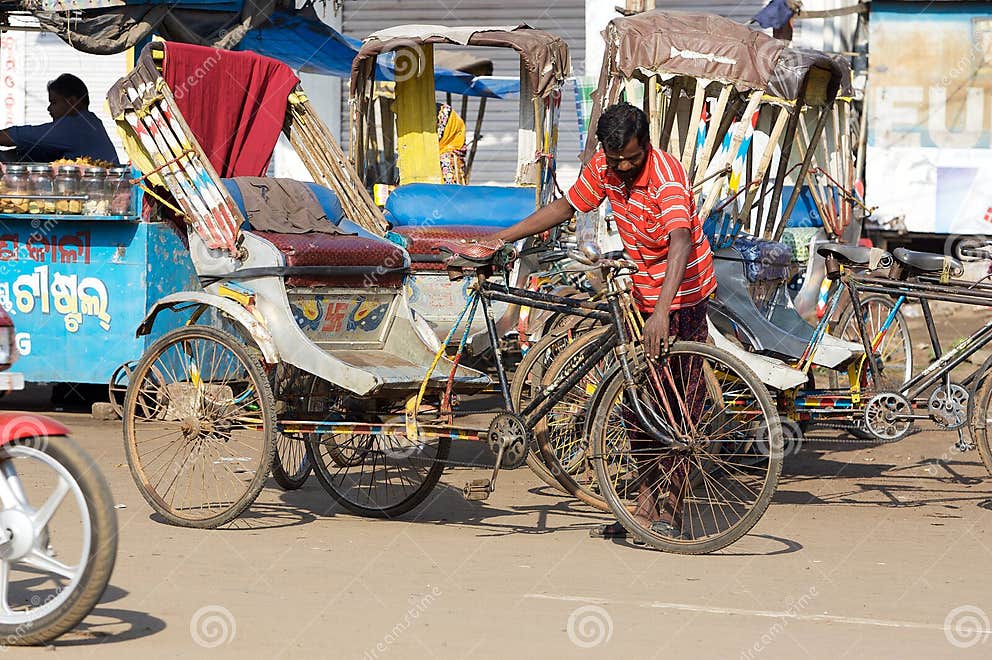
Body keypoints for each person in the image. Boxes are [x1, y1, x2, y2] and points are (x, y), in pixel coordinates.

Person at [490, 102, 717, 539]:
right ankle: (641, 511)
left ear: (645, 144)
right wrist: (500, 238)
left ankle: (671, 511)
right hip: (642, 296)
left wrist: (663, 313)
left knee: (678, 410)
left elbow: (681, 242)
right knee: (637, 404)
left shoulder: (665, 177)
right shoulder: (606, 165)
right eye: (616, 160)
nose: (624, 167)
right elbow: (565, 207)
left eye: (631, 158)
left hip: (682, 296)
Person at [0, 74, 118, 164]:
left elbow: (20, 136)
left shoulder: (76, 126)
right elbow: (33, 152)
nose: (49, 108)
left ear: (72, 102)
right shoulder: (91, 122)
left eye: (54, 102)